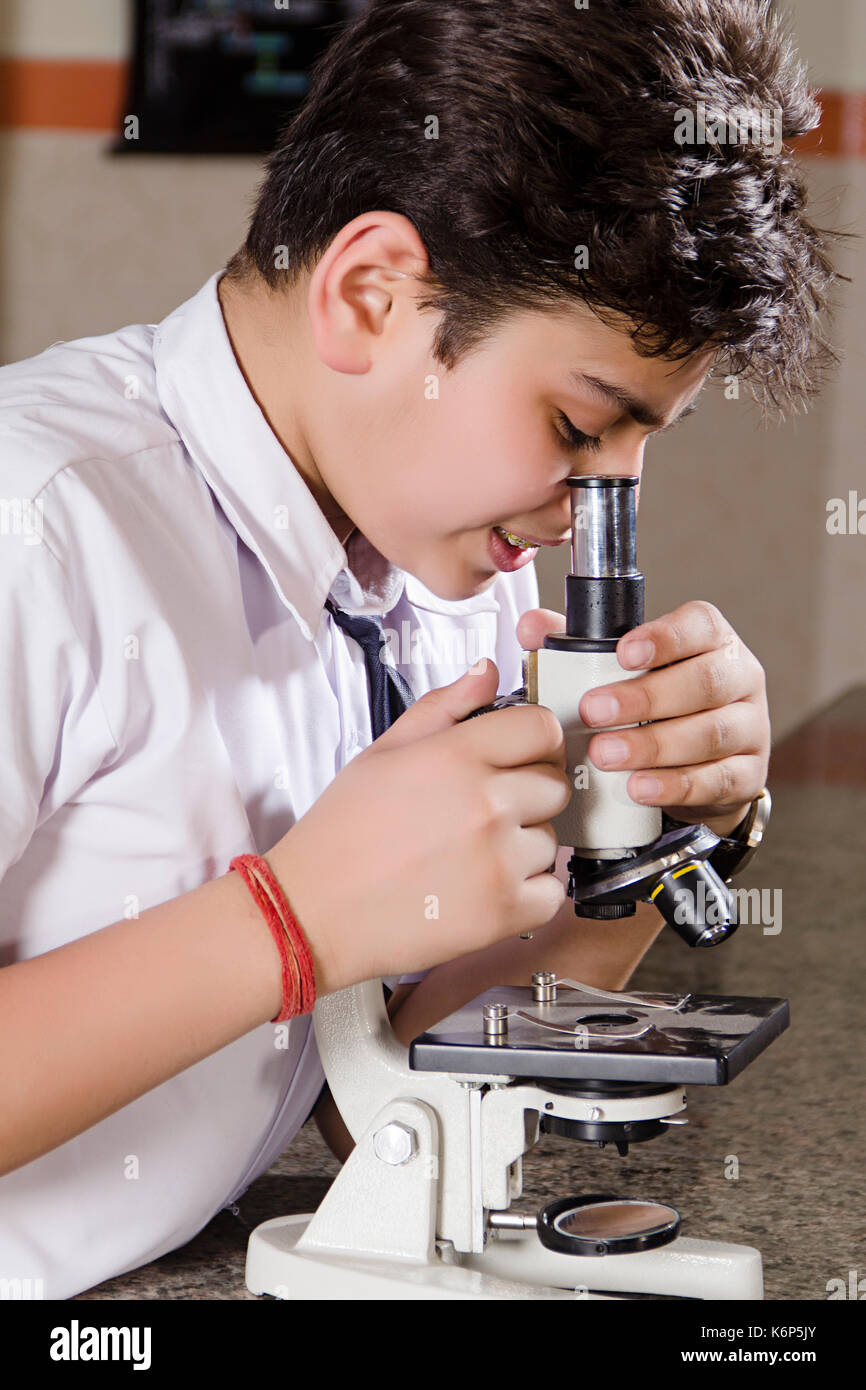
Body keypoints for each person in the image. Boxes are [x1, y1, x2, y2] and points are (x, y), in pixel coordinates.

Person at [0, 0, 840, 1297]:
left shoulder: (439, 560)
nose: (596, 506)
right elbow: (301, 944)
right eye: (576, 424)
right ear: (373, 294)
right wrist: (288, 924)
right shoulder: (37, 528)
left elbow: (371, 1107)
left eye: (638, 449)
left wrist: (647, 841)